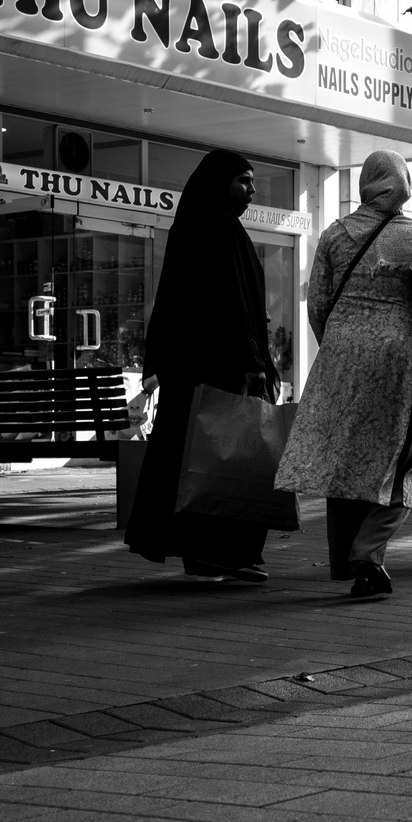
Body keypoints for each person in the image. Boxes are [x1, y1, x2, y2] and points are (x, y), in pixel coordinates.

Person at [276, 151, 412, 599]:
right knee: (401, 461)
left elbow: (317, 305)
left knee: (345, 460)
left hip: (338, 353)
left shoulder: (336, 233)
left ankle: (345, 562)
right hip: (392, 358)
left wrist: (340, 344)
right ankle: (368, 553)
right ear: (403, 183)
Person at [125, 149, 278, 582]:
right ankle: (216, 552)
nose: (251, 191)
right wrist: (252, 360)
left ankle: (208, 552)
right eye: (243, 181)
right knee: (220, 459)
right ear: (219, 183)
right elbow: (230, 303)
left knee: (193, 461)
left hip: (194, 370)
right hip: (218, 370)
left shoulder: (195, 224)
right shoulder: (218, 228)